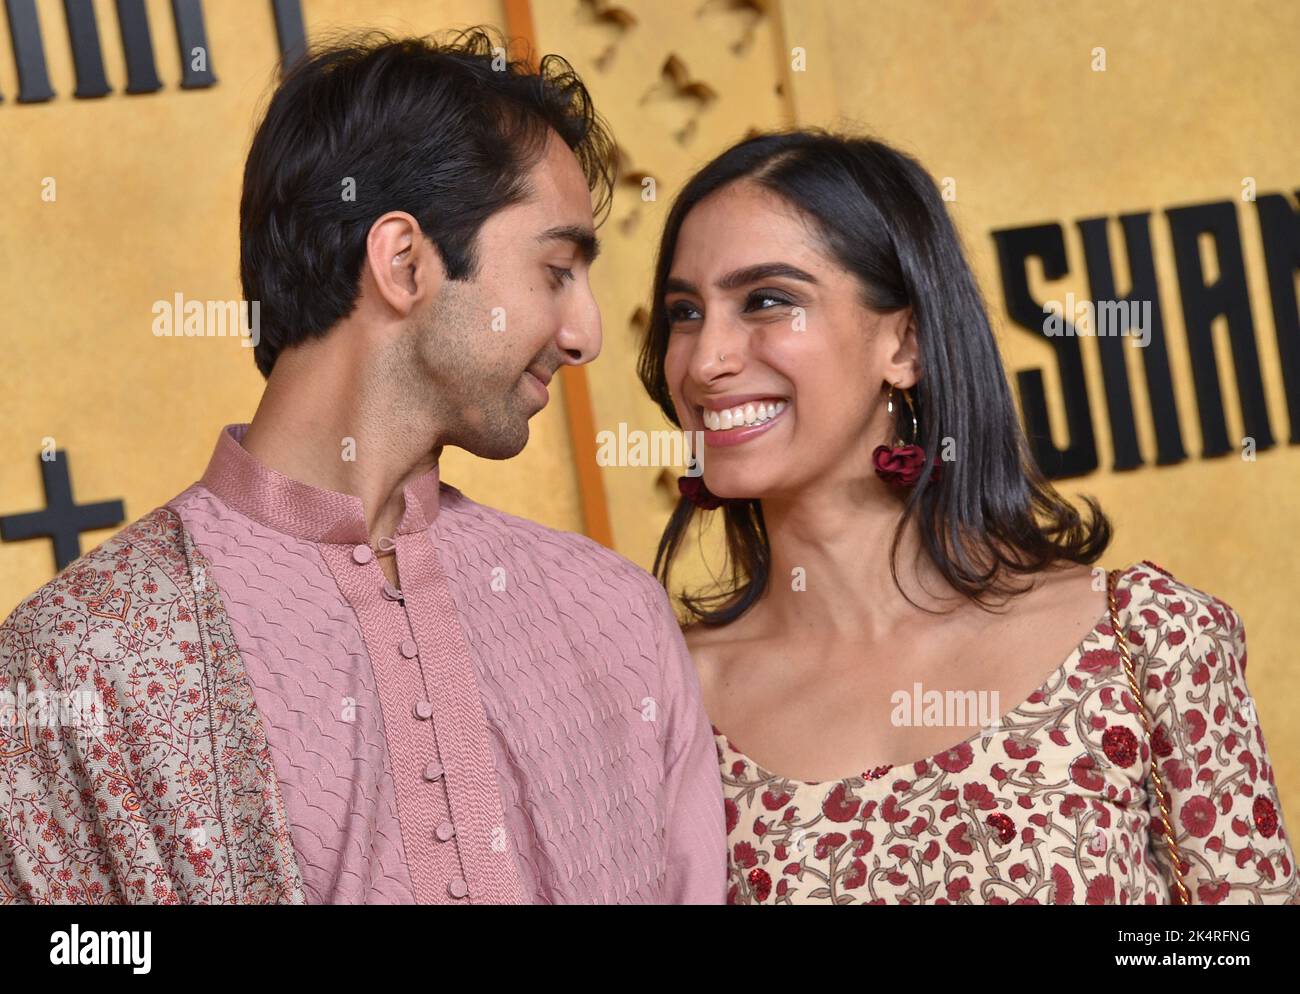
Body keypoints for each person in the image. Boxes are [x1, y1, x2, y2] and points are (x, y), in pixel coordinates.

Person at [0, 29, 725, 905]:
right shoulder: (78, 666)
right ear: (404, 261)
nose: (587, 335)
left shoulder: (618, 625)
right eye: (556, 270)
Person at [637, 128, 1298, 905]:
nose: (706, 357)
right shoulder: (665, 706)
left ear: (906, 343)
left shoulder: (1142, 643)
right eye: (684, 312)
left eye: (768, 300)